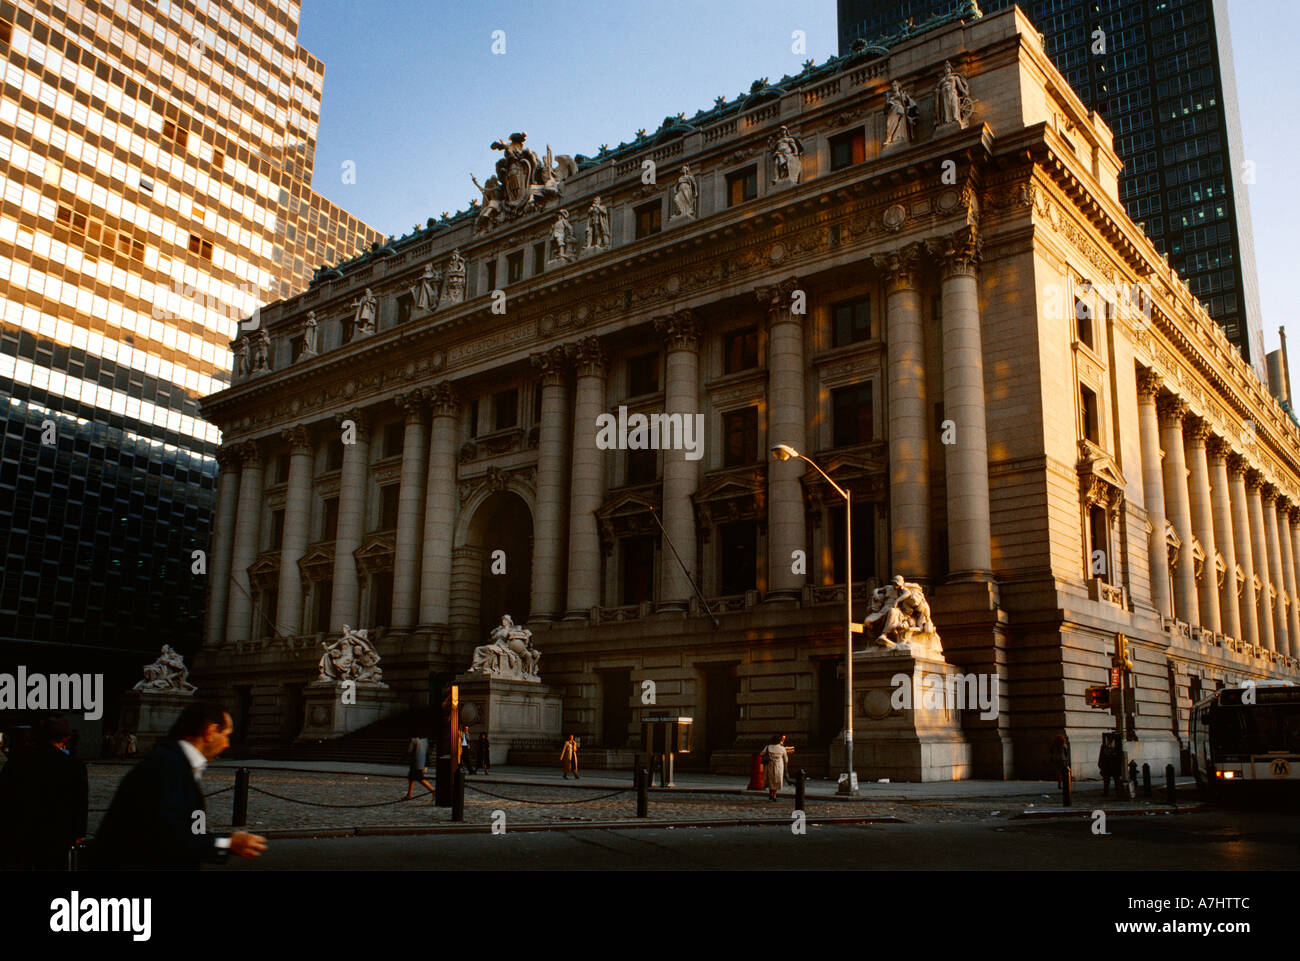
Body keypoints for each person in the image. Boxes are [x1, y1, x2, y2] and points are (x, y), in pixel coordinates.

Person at [90, 702, 268, 870]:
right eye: (226, 735)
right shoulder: (166, 767)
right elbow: (169, 836)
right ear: (211, 731)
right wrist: (228, 843)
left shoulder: (172, 762)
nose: (227, 744)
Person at [0, 716, 88, 869]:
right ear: (66, 737)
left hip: (19, 831)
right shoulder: (73, 766)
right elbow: (80, 802)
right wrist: (78, 832)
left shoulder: (16, 762)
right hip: (56, 834)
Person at [405, 734, 433, 799]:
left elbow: (409, 750)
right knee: (411, 777)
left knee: (419, 778)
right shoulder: (425, 740)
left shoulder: (413, 740)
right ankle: (409, 794)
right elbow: (427, 751)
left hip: (415, 762)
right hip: (422, 762)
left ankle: (433, 790)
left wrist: (403, 757)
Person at [761, 734, 788, 801]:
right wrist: (785, 766)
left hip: (769, 765)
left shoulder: (768, 747)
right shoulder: (782, 748)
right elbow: (786, 759)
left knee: (770, 779)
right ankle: (774, 795)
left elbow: (761, 753)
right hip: (779, 765)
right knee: (776, 780)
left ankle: (770, 794)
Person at [1098, 731, 1123, 796]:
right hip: (1108, 765)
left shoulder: (1117, 746)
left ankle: (1117, 792)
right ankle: (1107, 792)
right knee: (1107, 780)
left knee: (1115, 780)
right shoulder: (1104, 746)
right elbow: (1101, 755)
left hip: (1114, 765)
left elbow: (1120, 756)